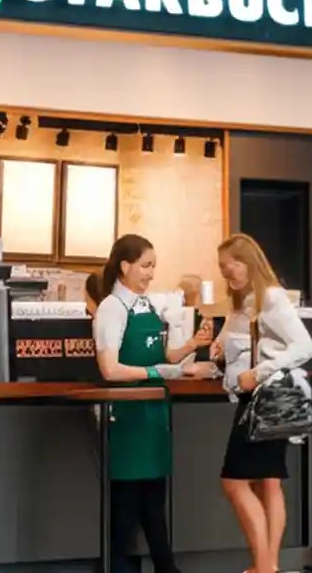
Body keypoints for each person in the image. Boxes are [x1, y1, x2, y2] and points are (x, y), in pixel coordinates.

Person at [93, 234, 215, 573]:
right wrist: (158, 371)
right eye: (146, 266)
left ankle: (166, 567)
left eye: (153, 267)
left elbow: (162, 354)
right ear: (125, 266)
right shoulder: (111, 309)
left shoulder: (146, 305)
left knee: (153, 503)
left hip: (153, 415)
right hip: (128, 418)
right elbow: (109, 368)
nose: (150, 274)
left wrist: (191, 346)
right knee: (127, 508)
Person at [209, 233, 312, 573]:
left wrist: (259, 371)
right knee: (268, 480)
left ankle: (266, 566)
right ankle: (266, 566)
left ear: (248, 262)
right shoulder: (244, 303)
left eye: (232, 267)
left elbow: (305, 346)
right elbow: (231, 347)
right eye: (223, 270)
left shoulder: (270, 298)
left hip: (265, 399)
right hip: (260, 399)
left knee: (235, 481)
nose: (229, 275)